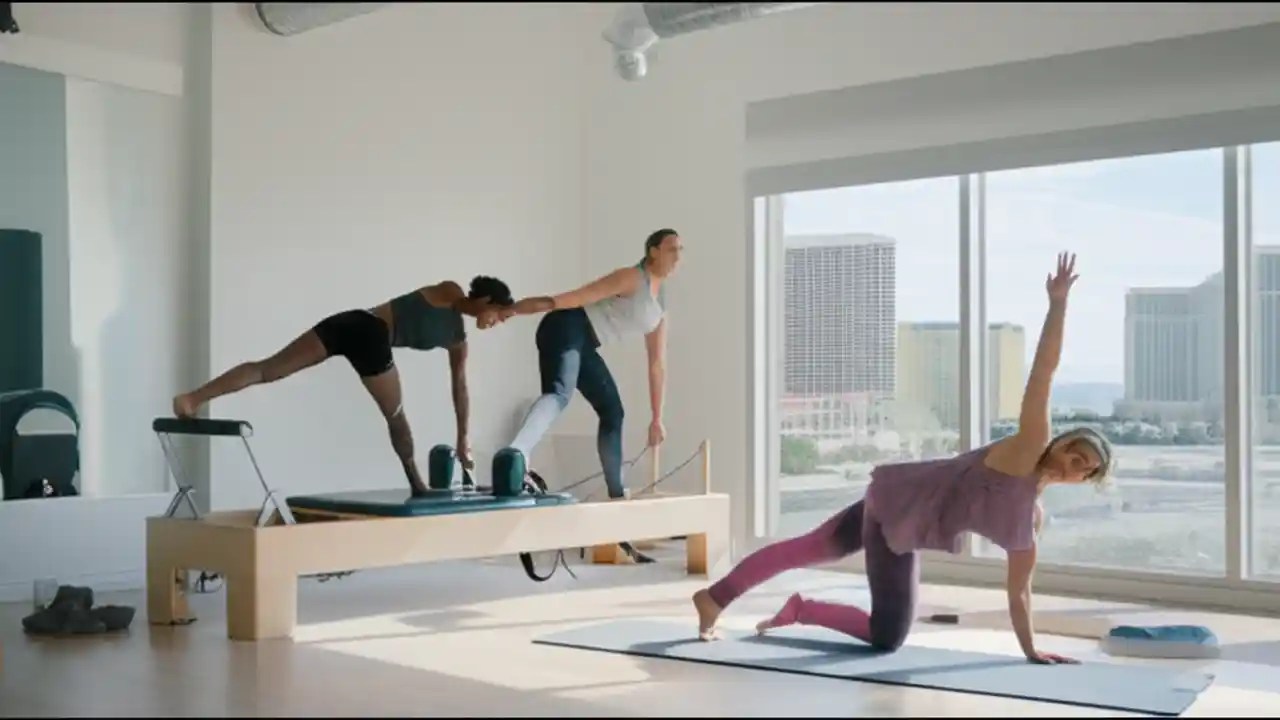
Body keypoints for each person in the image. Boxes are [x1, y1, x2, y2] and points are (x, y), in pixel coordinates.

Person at [691, 252, 1113, 665]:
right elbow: (1044, 372)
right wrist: (1058, 305)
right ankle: (798, 610)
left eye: (1084, 470)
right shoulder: (1028, 448)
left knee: (813, 548)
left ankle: (716, 598)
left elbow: (1019, 591)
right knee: (887, 637)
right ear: (1060, 442)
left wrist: (1030, 651)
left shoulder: (1031, 518)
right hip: (896, 515)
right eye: (1074, 454)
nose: (1072, 467)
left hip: (893, 501)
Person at [171, 277, 514, 495]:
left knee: (267, 370)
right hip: (369, 332)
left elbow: (460, 390)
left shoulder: (459, 341)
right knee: (396, 417)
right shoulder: (452, 291)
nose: (496, 322)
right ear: (485, 301)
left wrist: (463, 436)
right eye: (498, 314)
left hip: (350, 322)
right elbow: (454, 301)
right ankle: (417, 485)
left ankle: (191, 398)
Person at [497, 228, 683, 556]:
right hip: (565, 325)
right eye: (671, 249)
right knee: (559, 394)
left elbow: (657, 364)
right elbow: (572, 297)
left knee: (613, 412)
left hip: (586, 343)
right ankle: (516, 454)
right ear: (653, 251)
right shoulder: (631, 277)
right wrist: (513, 309)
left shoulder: (660, 304)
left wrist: (657, 418)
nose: (678, 256)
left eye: (681, 250)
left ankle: (616, 495)